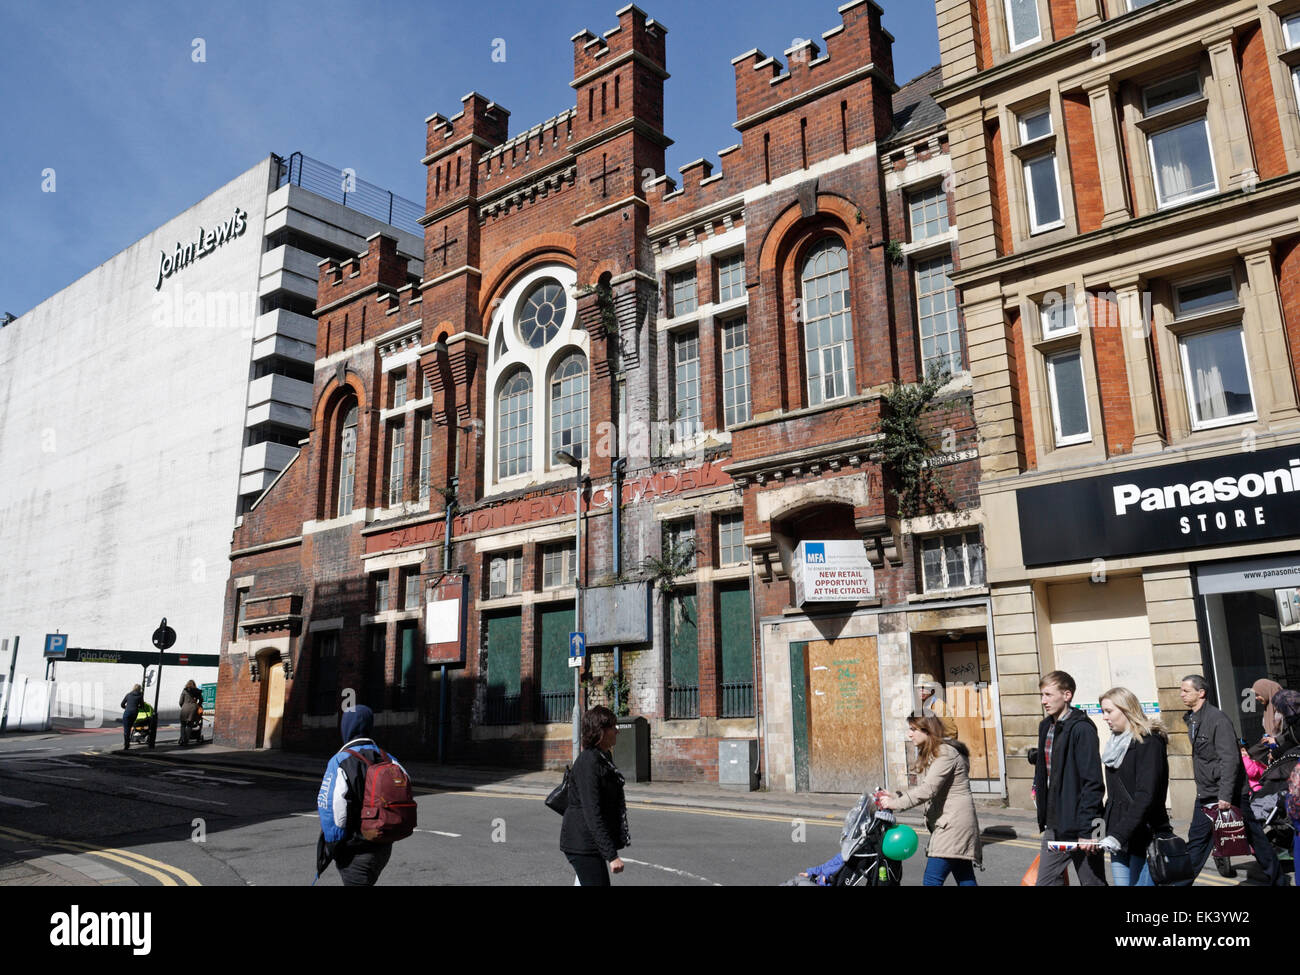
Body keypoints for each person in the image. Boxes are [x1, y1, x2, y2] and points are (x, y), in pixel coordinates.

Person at [1177, 675, 1285, 886]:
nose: (1181, 694)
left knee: (1254, 838)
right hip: (1206, 792)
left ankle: (1277, 880)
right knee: (1198, 842)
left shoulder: (1217, 719)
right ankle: (1180, 883)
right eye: (1181, 690)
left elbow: (1230, 760)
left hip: (1228, 793)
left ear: (1201, 693)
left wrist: (1225, 795)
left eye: (1185, 691)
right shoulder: (1192, 719)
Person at [878, 714, 981, 885]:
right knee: (964, 876)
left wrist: (894, 804)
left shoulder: (945, 753)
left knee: (932, 880)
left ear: (928, 730)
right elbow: (927, 788)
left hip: (952, 826)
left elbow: (928, 790)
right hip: (953, 823)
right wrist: (894, 796)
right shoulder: (937, 752)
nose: (909, 734)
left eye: (913, 729)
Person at [1027, 670, 1106, 885]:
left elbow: (1093, 782)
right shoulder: (1046, 726)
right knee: (1046, 882)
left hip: (1084, 824)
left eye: (1049, 695)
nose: (1044, 701)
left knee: (1093, 882)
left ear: (1067, 695)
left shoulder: (1083, 729)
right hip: (1056, 823)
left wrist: (1089, 829)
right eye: (1042, 695)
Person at [1087, 686, 1170, 886]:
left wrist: (1118, 835)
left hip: (1143, 834)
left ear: (1126, 709)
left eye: (1109, 711)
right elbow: (1113, 797)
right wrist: (1100, 833)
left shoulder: (1149, 742)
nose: (1105, 717)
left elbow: (1145, 795)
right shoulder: (1115, 744)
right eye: (1103, 712)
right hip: (1118, 835)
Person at [316, 704, 406, 886]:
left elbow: (333, 810)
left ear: (346, 727)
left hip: (355, 850)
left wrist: (333, 847)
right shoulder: (390, 758)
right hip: (383, 845)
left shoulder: (340, 761)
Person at [560, 705, 629, 886]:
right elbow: (592, 812)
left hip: (590, 843)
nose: (617, 731)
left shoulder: (603, 757)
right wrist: (611, 855)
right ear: (601, 732)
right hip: (582, 843)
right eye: (613, 727)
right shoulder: (589, 762)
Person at [1253, 678, 1300, 751]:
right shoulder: (1267, 709)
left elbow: (1292, 735)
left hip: (1289, 750)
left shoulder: (1286, 707)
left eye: (1258, 694)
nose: (1256, 698)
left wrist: (1277, 741)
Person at [915, 673, 958, 739]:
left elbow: (951, 732)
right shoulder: (925, 706)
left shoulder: (939, 705)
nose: (921, 690)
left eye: (924, 687)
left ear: (932, 690)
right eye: (919, 688)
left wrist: (940, 746)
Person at [120, 684, 144, 750]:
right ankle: (127, 742)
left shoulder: (128, 695)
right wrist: (137, 707)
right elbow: (142, 706)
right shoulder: (140, 696)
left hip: (127, 713)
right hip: (134, 713)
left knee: (126, 729)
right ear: (140, 689)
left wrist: (126, 707)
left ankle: (126, 744)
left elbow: (122, 704)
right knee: (130, 727)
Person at [178, 680, 202, 746]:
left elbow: (180, 701)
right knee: (189, 725)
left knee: (183, 725)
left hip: (184, 708)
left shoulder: (184, 691)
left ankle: (183, 739)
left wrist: (183, 706)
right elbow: (201, 700)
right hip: (193, 709)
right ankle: (186, 741)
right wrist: (198, 705)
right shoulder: (197, 691)